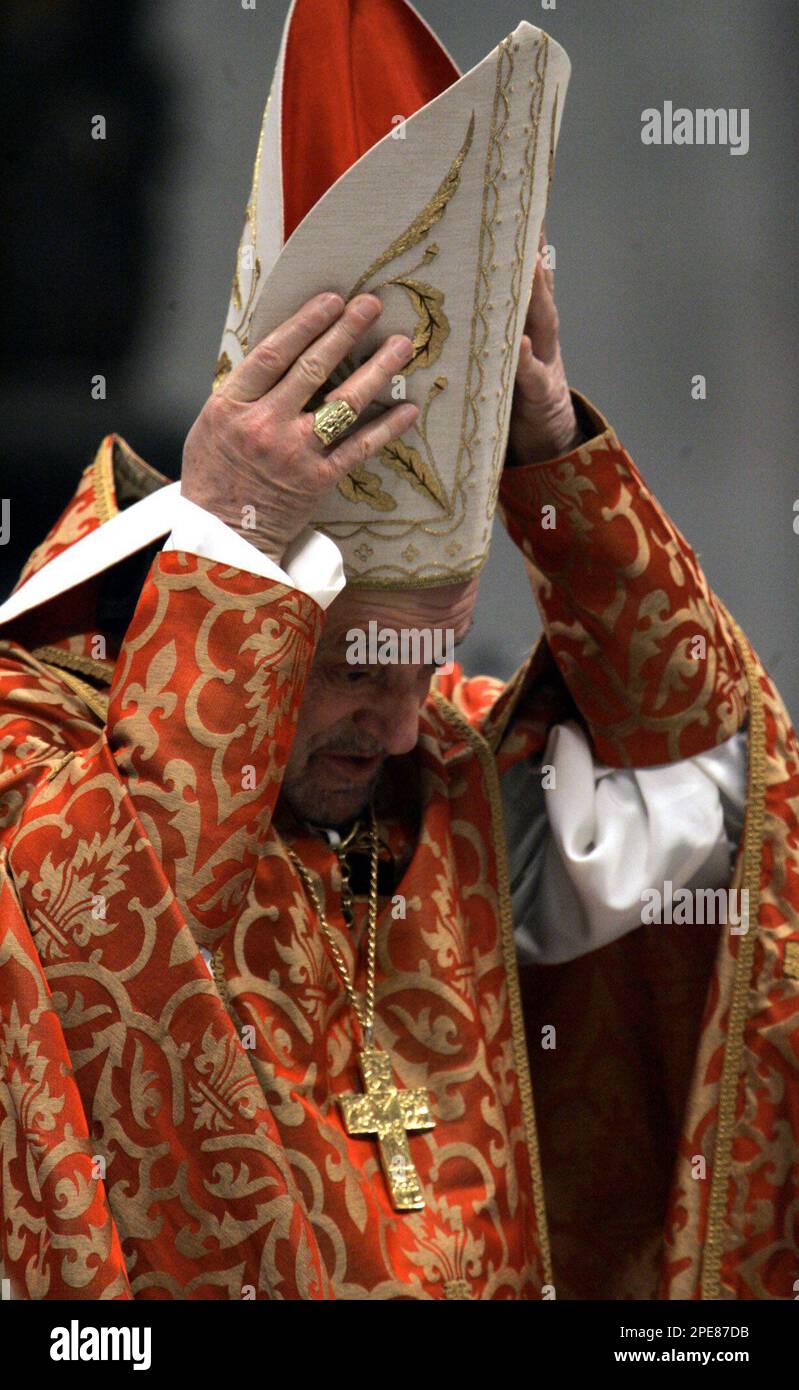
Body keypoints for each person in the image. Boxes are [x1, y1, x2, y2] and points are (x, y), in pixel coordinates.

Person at [0, 1, 796, 1302]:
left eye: (422, 659)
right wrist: (239, 541)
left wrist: (565, 487)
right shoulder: (39, 747)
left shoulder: (464, 784)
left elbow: (740, 832)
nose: (396, 717)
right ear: (240, 617)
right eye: (349, 670)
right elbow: (95, 970)